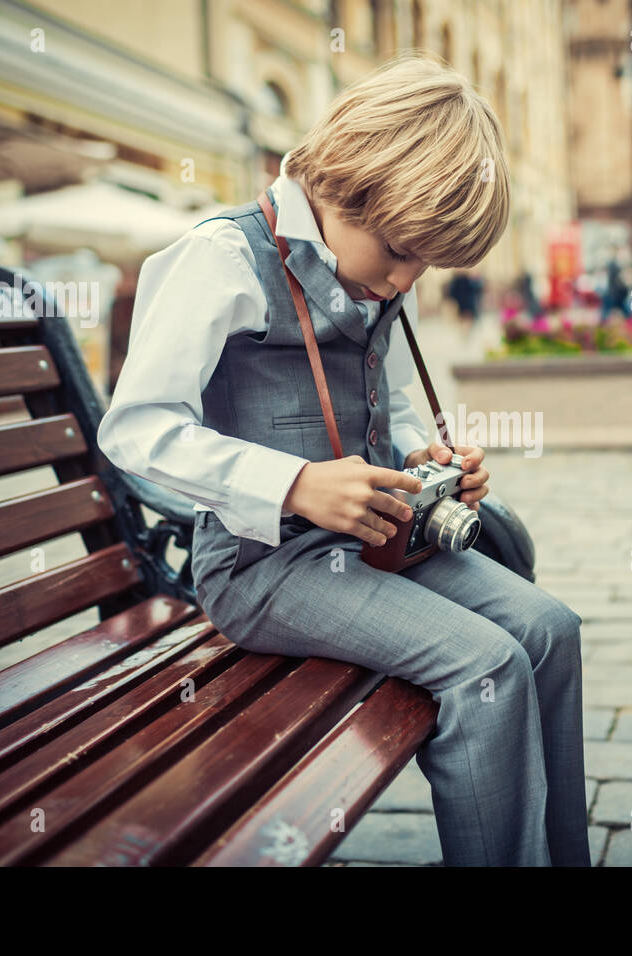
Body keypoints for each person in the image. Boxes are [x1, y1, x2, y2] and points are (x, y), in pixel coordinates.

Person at [96, 53, 588, 867]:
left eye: (423, 263)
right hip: (261, 566)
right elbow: (137, 429)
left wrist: (427, 458)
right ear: (346, 184)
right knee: (487, 666)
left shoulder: (379, 270)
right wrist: (292, 483)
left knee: (549, 629)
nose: (403, 278)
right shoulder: (220, 259)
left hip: (378, 545)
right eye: (397, 250)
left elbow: (389, 405)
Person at [599, 253, 630, 324]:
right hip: (614, 297)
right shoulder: (616, 276)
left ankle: (604, 322)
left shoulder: (611, 277)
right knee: (625, 313)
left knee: (606, 314)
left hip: (613, 297)